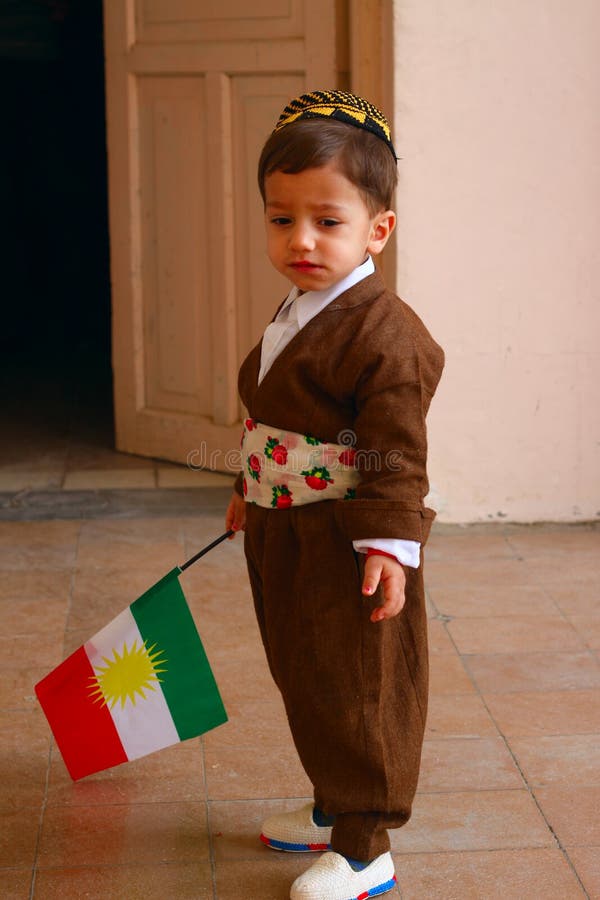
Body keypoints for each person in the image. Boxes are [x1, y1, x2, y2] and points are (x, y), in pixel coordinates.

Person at [225, 89, 444, 900]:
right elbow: (276, 417)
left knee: (358, 684)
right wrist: (248, 486)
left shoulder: (385, 333)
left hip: (345, 540)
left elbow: (396, 451)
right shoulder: (300, 311)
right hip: (283, 529)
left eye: (327, 220)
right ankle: (332, 802)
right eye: (282, 219)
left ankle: (364, 843)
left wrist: (388, 546)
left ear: (377, 230)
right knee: (306, 671)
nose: (302, 240)